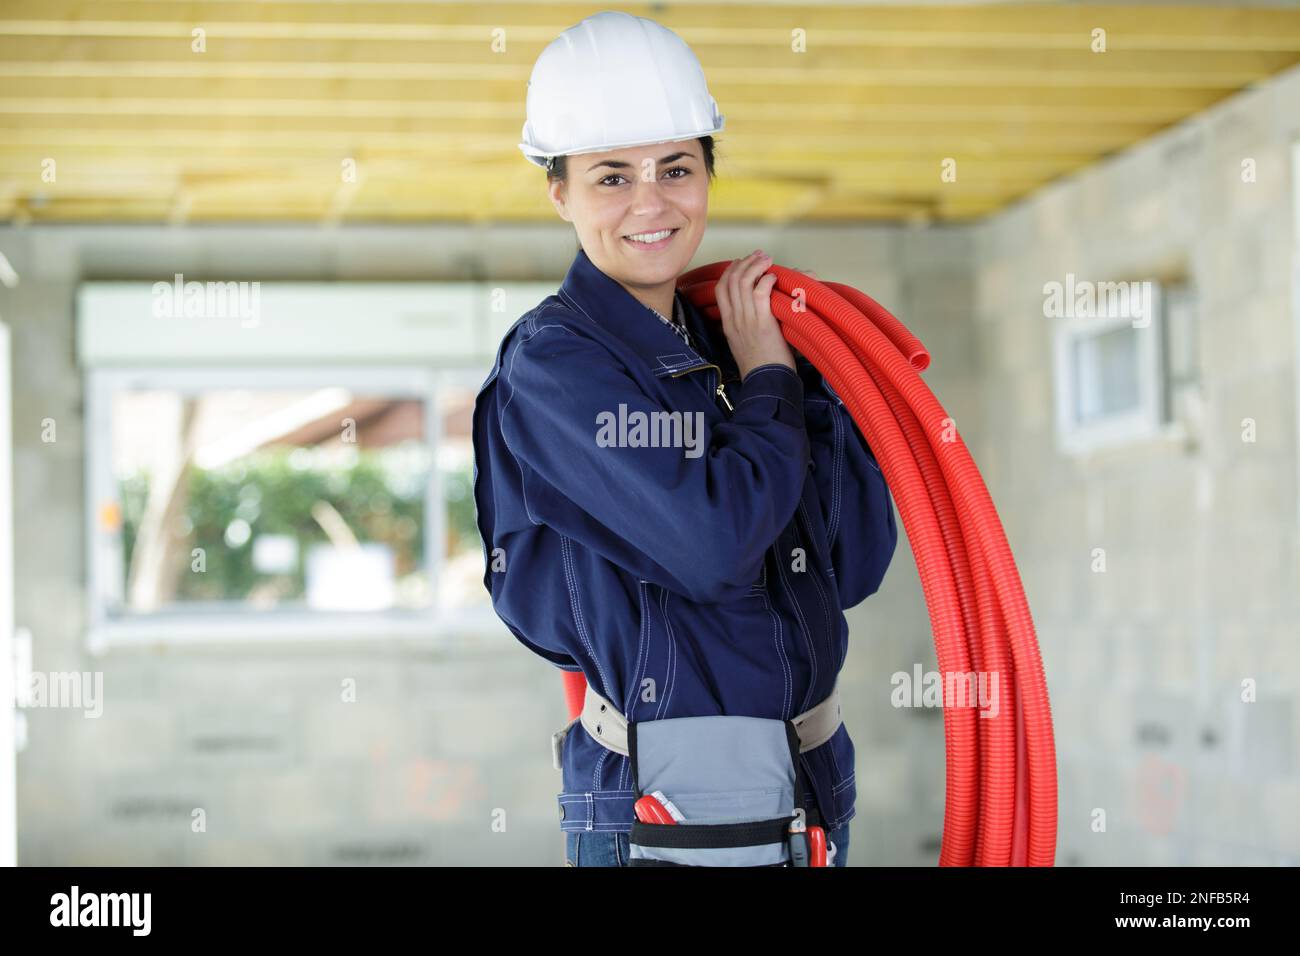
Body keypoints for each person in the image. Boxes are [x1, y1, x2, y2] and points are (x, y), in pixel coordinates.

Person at [471, 11, 897, 867]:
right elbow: (710, 549)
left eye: (674, 167)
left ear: (708, 170)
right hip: (677, 801)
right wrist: (773, 388)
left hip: (811, 779)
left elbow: (850, 568)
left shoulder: (727, 346)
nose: (650, 203)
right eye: (610, 177)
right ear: (559, 192)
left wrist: (812, 387)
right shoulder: (556, 363)